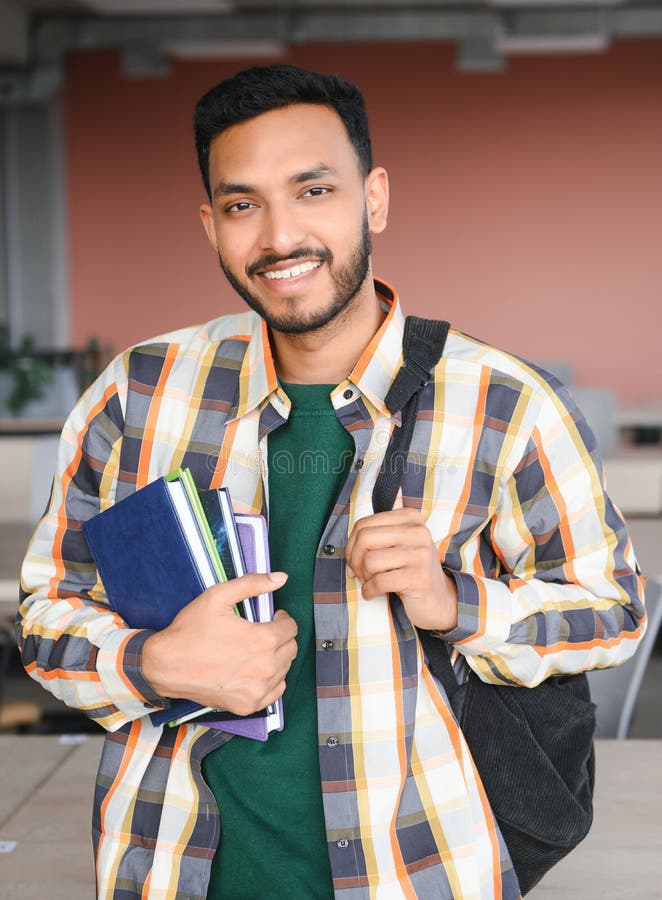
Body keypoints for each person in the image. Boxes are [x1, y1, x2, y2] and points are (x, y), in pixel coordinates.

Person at [17, 64, 645, 900]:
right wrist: (153, 662)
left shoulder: (505, 403)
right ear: (211, 224)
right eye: (243, 204)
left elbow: (614, 611)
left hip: (417, 873)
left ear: (374, 198)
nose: (279, 236)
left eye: (313, 191)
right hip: (171, 867)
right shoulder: (137, 395)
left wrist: (456, 602)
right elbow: (44, 615)